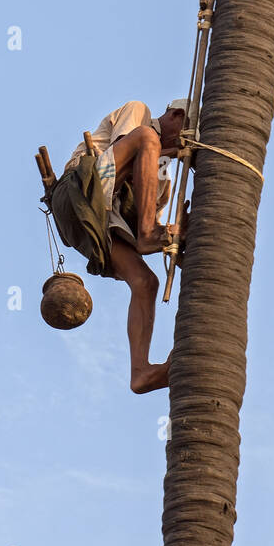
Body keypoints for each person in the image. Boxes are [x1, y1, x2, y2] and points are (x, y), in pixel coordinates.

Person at [49, 99, 188, 393]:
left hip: (100, 222)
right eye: (185, 131)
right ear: (177, 115)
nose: (183, 142)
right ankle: (151, 230)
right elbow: (131, 144)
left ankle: (141, 373)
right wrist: (152, 233)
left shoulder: (163, 177)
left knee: (146, 282)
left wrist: (182, 236)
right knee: (147, 139)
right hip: (80, 193)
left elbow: (141, 229)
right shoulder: (140, 113)